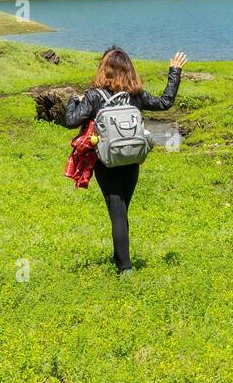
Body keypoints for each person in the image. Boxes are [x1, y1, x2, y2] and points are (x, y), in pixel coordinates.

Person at [63, 47, 187, 273]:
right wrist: (174, 71)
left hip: (106, 162)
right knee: (121, 211)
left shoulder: (93, 96)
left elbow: (71, 121)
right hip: (132, 160)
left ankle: (125, 268)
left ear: (104, 69)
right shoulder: (135, 94)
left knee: (117, 211)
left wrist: (73, 100)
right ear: (129, 69)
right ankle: (119, 257)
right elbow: (165, 102)